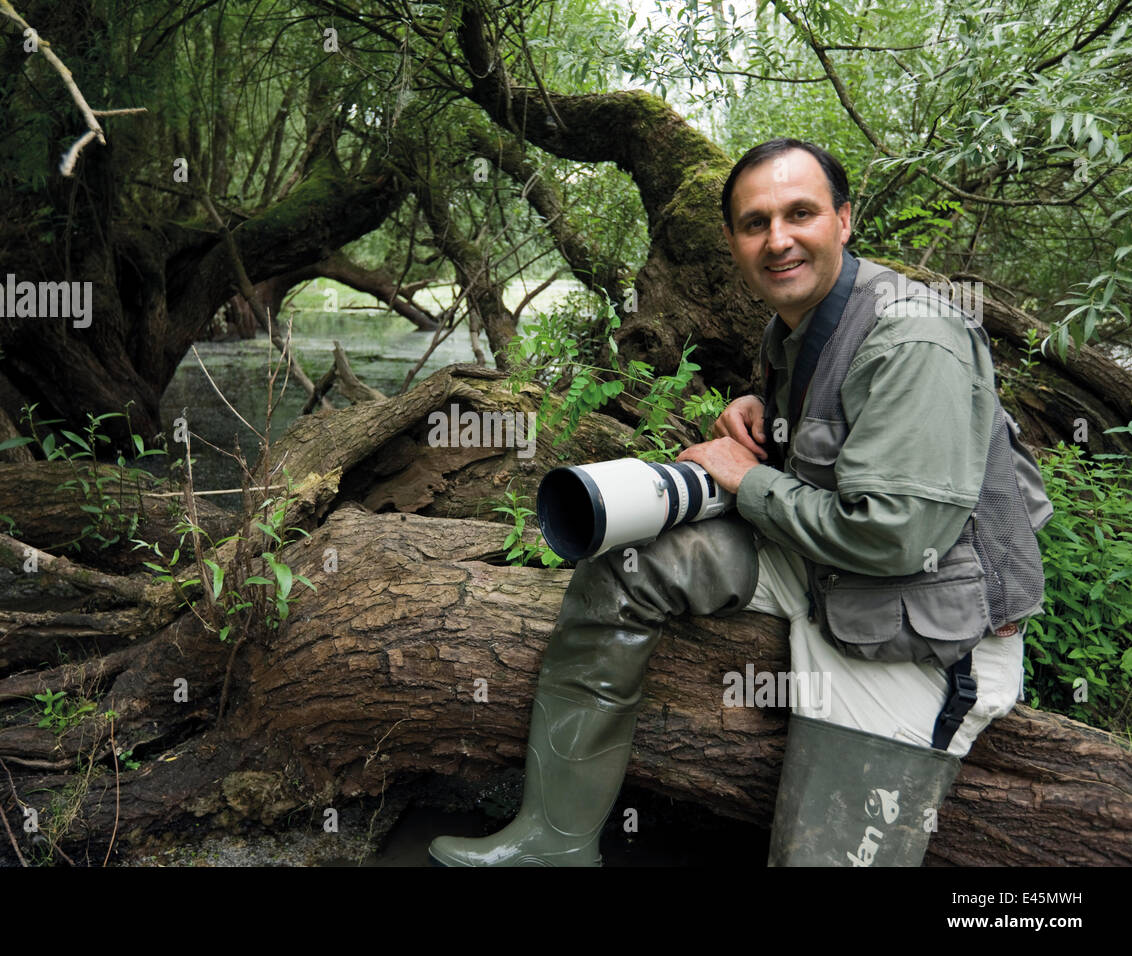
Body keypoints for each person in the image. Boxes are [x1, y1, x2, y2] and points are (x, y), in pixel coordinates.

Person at [428, 138, 1053, 867]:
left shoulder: (912, 336)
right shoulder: (795, 327)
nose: (777, 239)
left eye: (800, 214)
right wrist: (770, 414)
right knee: (626, 561)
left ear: (844, 221)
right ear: (731, 241)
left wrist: (744, 479)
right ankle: (553, 842)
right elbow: (845, 441)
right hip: (822, 566)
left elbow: (895, 537)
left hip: (922, 625)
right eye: (755, 223)